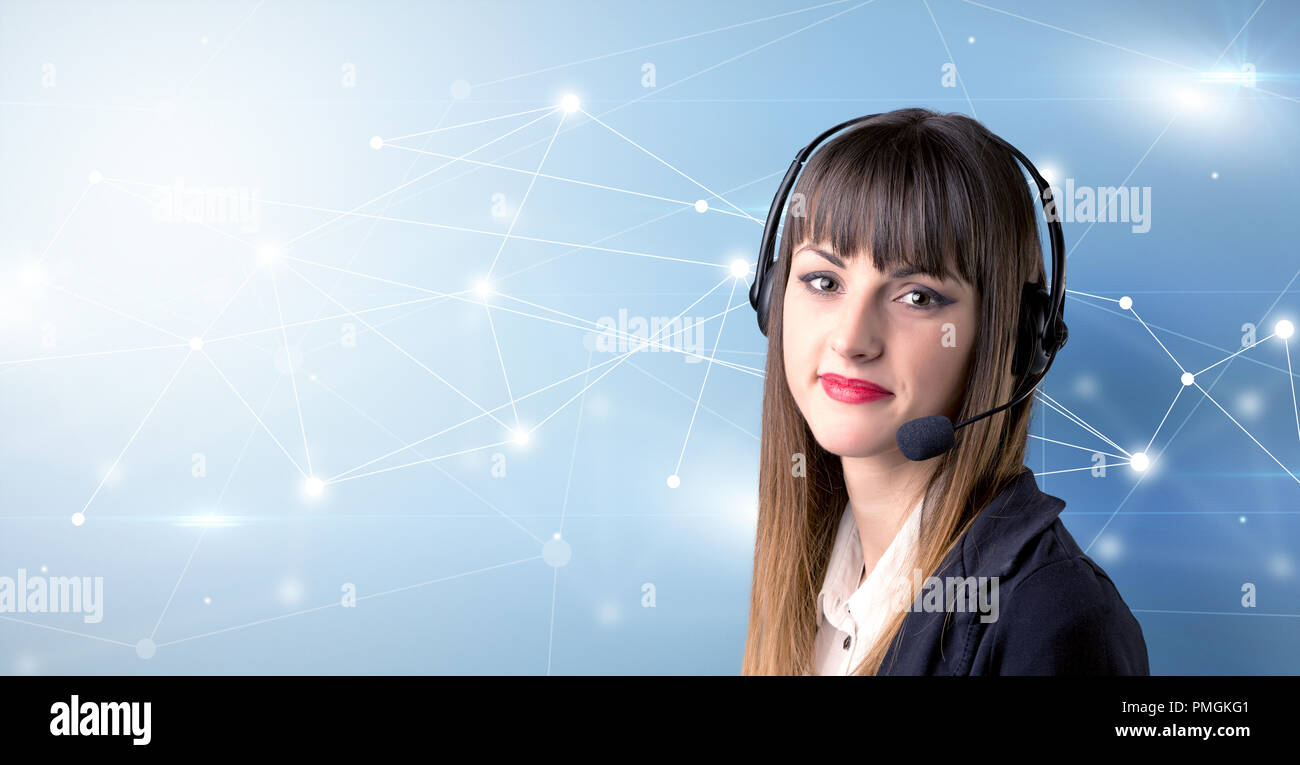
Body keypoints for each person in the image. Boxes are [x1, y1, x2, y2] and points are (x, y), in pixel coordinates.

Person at [741, 108, 1149, 675]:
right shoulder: (818, 576)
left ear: (1011, 338)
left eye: (918, 297)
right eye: (824, 281)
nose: (852, 339)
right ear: (772, 299)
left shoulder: (1051, 616)